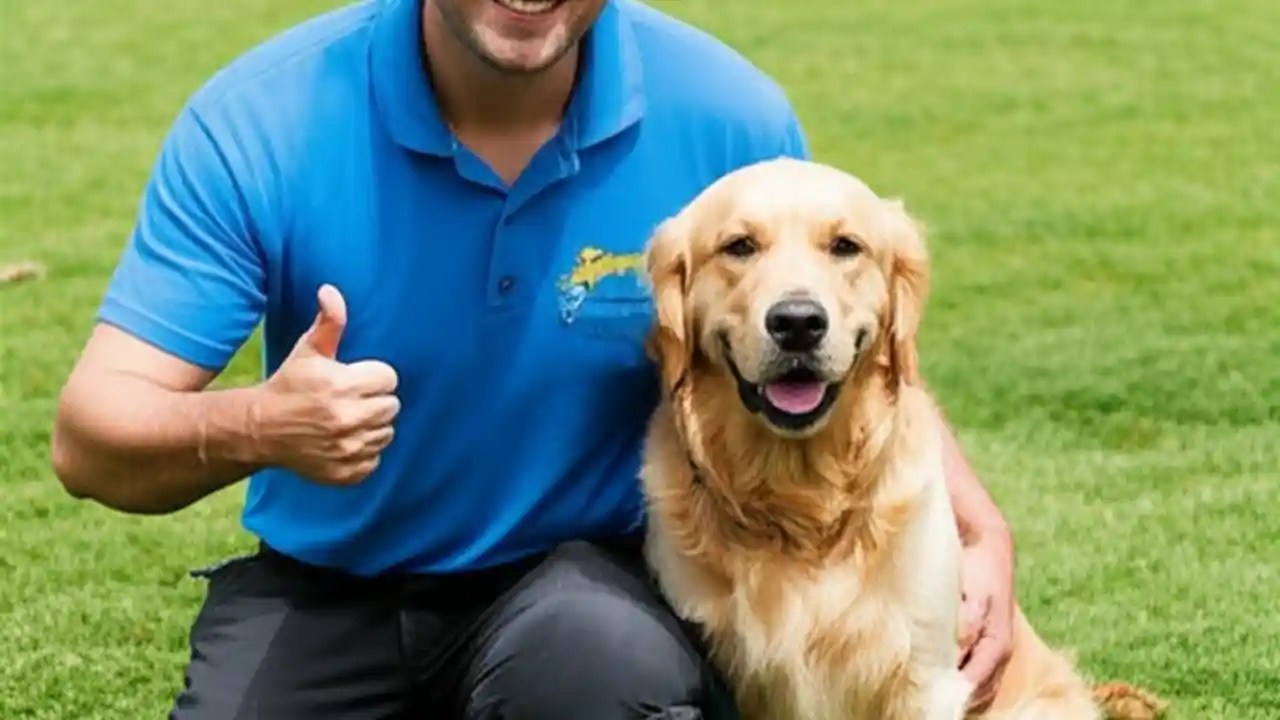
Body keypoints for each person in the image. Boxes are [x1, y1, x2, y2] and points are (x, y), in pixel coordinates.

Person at [50, 0, 1015, 717]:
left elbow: (835, 352)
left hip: (581, 586)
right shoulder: (258, 123)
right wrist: (259, 424)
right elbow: (91, 440)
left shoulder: (729, 119)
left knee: (604, 673)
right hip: (329, 587)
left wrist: (975, 526)